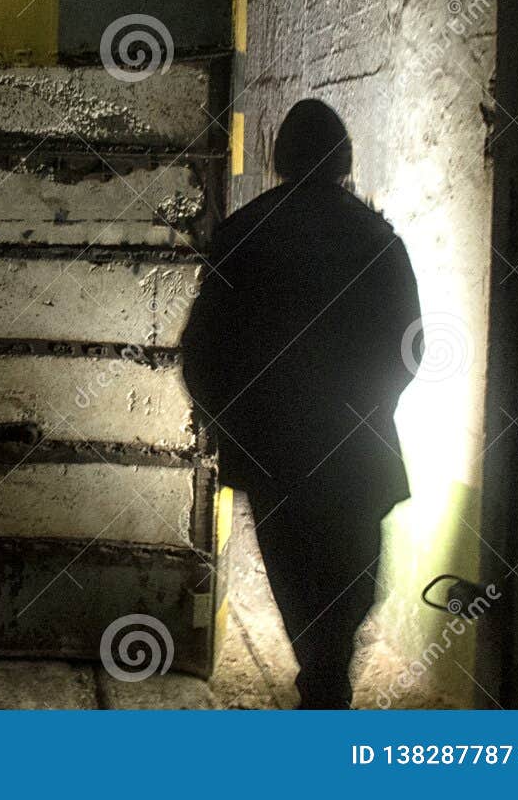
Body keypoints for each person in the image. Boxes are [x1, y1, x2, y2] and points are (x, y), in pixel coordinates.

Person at [181, 99, 421, 708]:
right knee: (352, 573)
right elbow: (409, 348)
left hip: (274, 450)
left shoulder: (243, 236)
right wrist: (367, 407)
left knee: (295, 571)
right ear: (344, 157)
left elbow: (203, 353)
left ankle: (319, 673)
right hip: (355, 447)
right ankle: (329, 674)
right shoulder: (377, 239)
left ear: (280, 158)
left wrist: (232, 423)